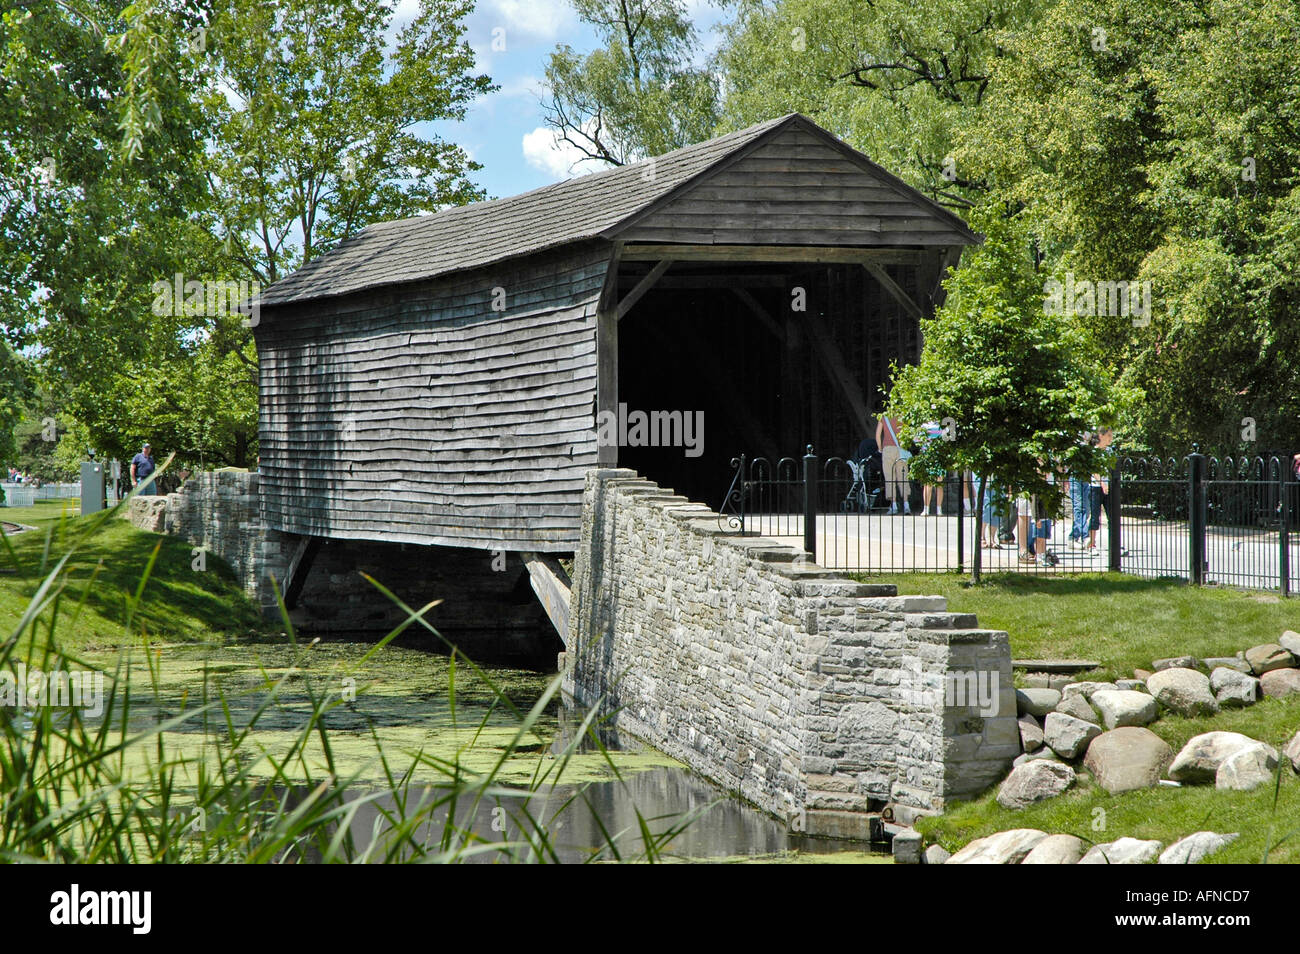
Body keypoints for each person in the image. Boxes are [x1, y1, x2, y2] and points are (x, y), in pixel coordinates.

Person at [875, 413, 911, 515]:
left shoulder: (883, 417)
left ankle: (893, 505)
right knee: (903, 477)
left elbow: (878, 435)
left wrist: (880, 448)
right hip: (901, 449)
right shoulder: (903, 416)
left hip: (888, 449)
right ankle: (906, 504)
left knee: (889, 478)